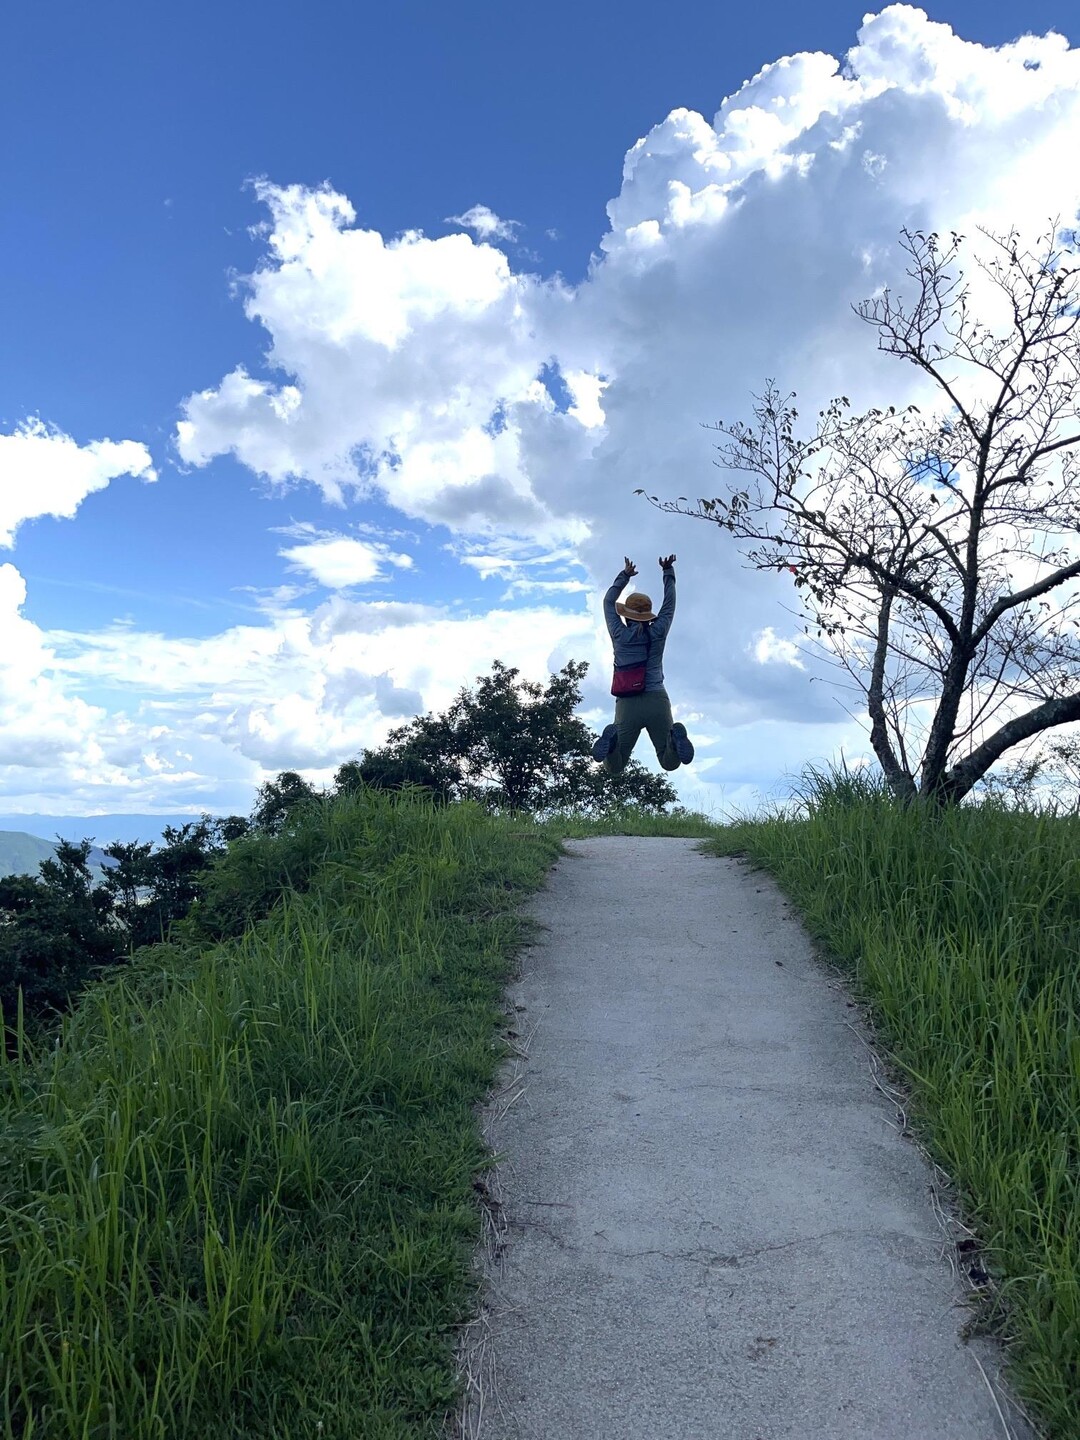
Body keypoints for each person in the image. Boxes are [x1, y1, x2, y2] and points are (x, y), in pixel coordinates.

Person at [593, 554, 695, 774]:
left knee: (616, 766)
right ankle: (674, 741)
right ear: (648, 615)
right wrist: (668, 572)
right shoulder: (658, 630)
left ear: (627, 615)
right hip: (657, 699)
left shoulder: (619, 633)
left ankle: (611, 745)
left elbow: (608, 602)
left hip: (627, 702)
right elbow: (669, 605)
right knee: (669, 762)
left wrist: (625, 576)